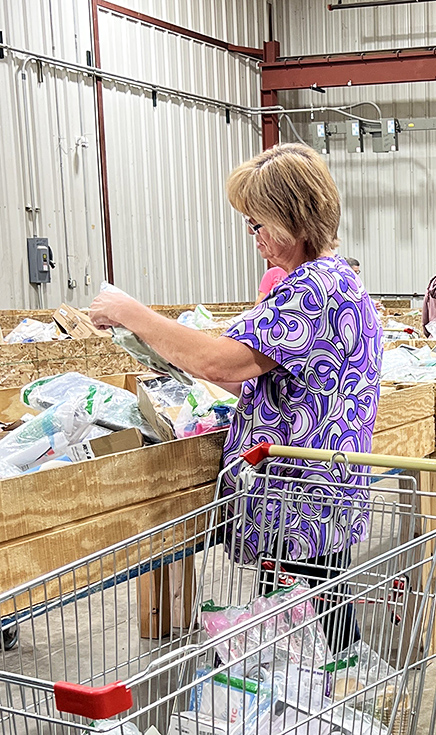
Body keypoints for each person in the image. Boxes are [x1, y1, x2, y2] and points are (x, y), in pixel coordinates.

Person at [89, 143, 382, 651]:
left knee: (310, 620)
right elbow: (257, 372)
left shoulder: (313, 289)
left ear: (291, 218)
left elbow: (220, 361)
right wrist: (172, 355)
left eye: (258, 225)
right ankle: (344, 694)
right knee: (316, 612)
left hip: (300, 494)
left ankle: (342, 706)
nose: (256, 240)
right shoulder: (337, 282)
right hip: (315, 487)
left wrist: (131, 311)